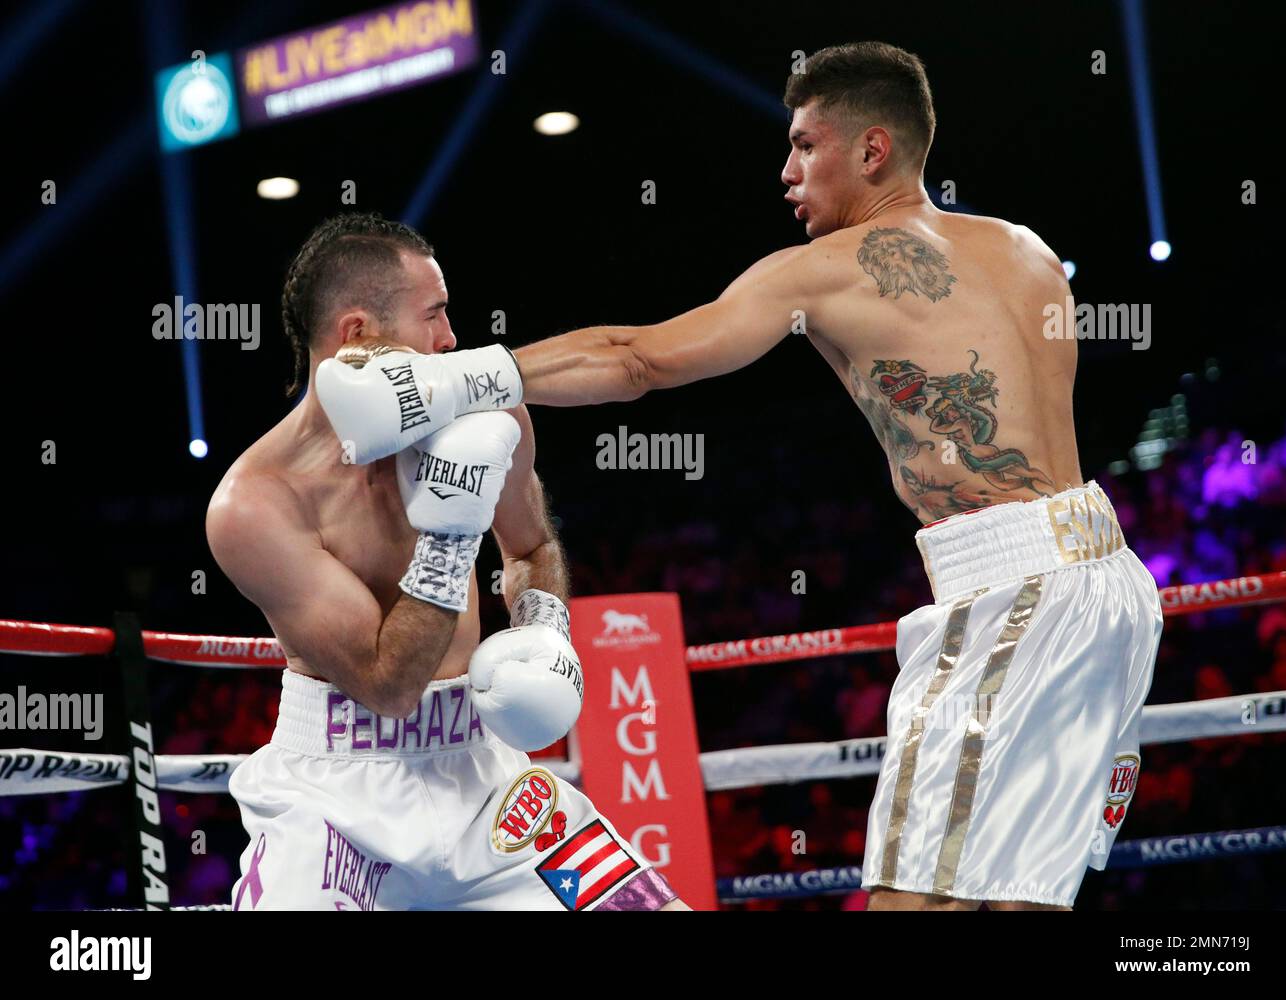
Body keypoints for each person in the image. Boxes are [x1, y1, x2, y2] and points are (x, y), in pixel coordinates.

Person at [319, 42, 1163, 911]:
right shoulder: (1024, 249)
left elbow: (637, 359)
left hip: (1012, 591)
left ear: (872, 150)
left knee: (916, 897)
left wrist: (448, 381)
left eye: (805, 145)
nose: (786, 172)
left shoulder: (825, 269)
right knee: (1016, 898)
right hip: (1112, 585)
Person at [207, 212, 682, 910]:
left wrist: (543, 628)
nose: (450, 339)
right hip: (336, 791)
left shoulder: (485, 418)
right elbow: (390, 686)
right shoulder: (256, 502)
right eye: (433, 315)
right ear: (359, 335)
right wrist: (454, 524)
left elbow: (531, 546)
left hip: (483, 778)